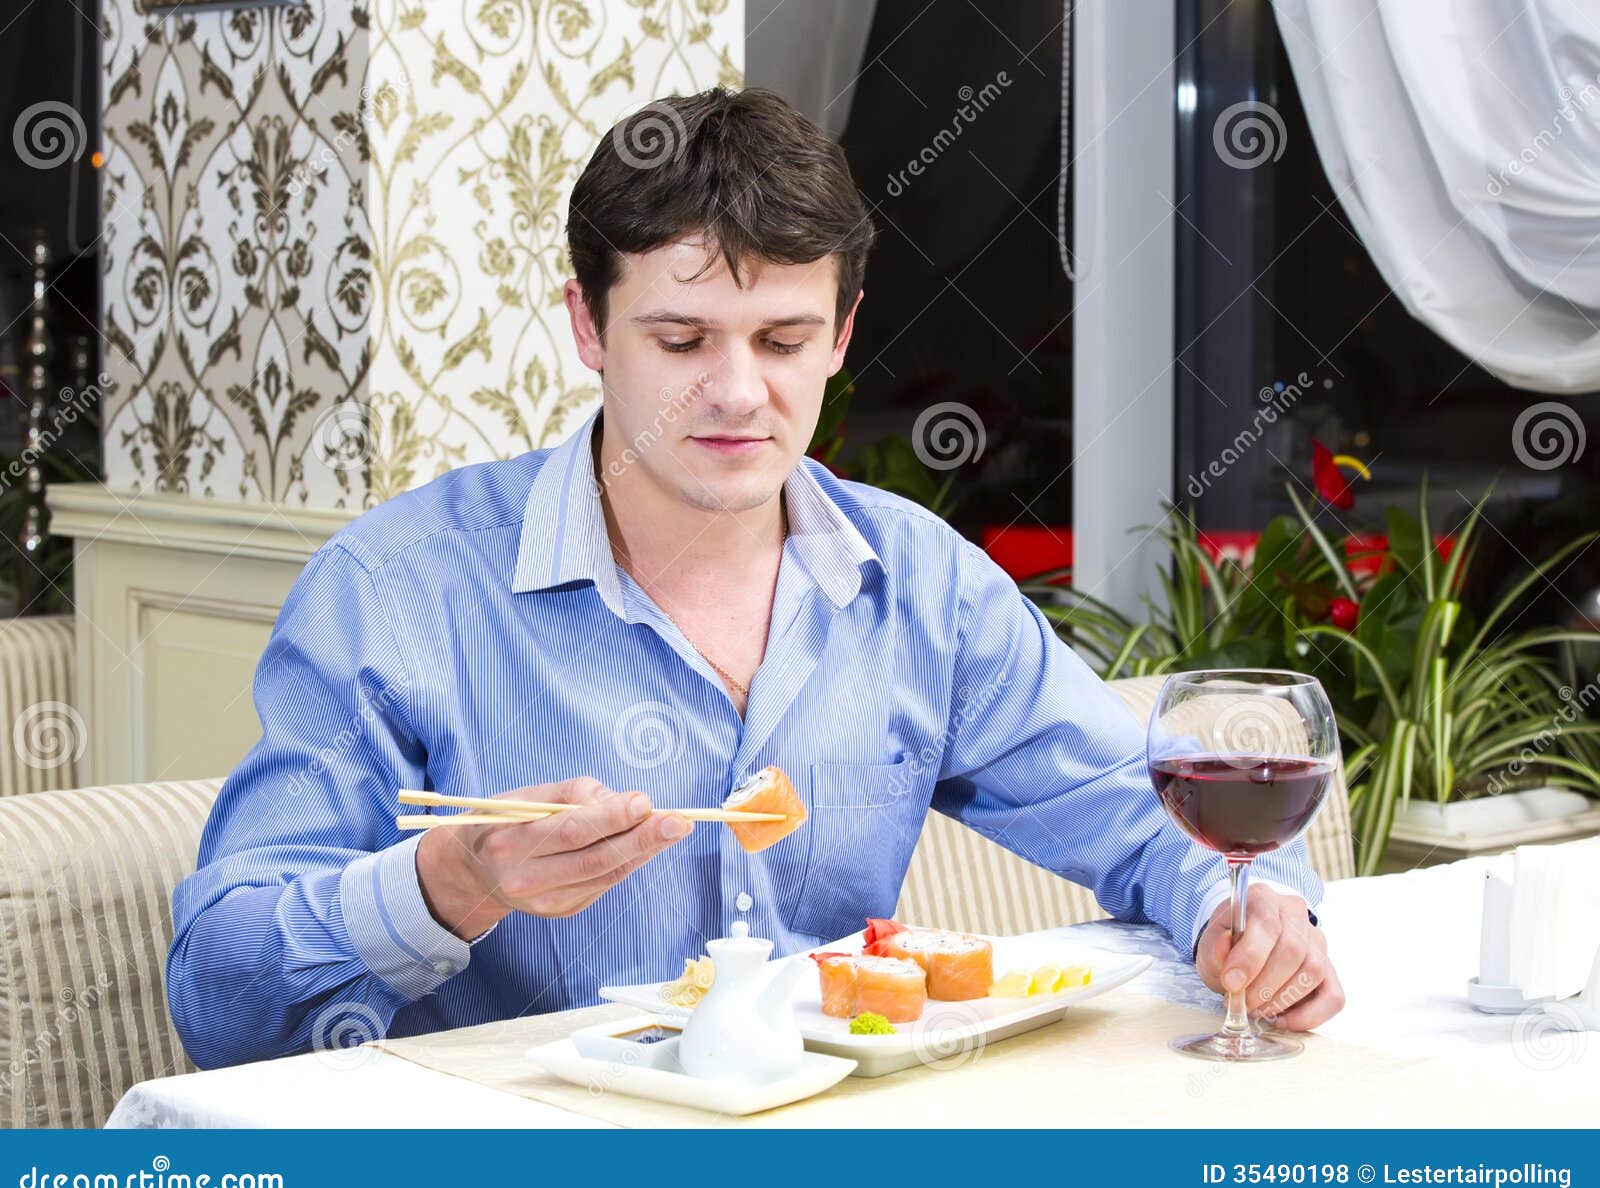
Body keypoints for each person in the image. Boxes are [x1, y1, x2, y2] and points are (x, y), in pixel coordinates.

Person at [167, 87, 1342, 1068]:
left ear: (840, 335)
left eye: (783, 342)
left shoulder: (921, 585)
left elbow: (1145, 819)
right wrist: (447, 884)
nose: (737, 393)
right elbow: (217, 996)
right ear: (588, 324)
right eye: (682, 342)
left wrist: (1252, 908)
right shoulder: (397, 589)